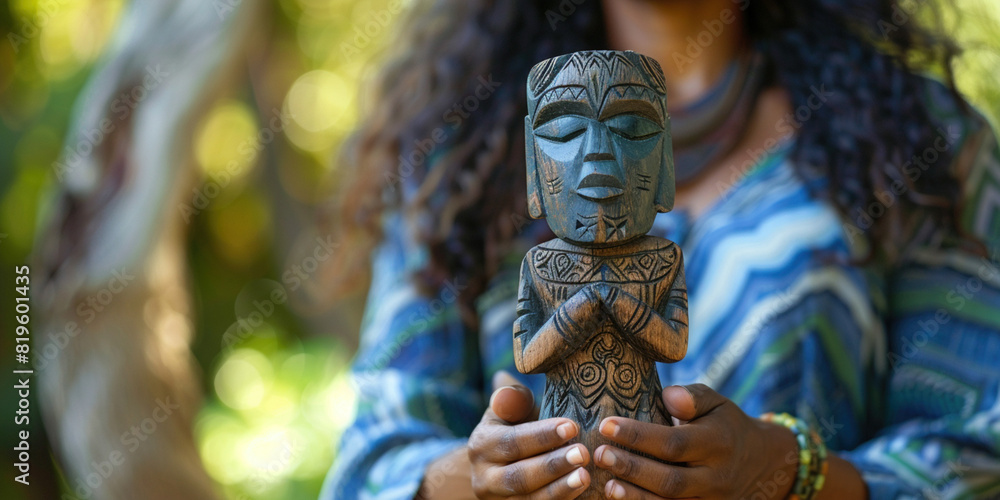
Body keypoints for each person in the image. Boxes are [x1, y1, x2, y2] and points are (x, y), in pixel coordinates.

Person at [322, 0, 1000, 498]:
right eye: (561, 131)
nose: (593, 158)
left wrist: (791, 473)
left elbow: (980, 451)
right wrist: (478, 478)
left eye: (631, 126)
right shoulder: (454, 161)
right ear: (535, 174)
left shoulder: (921, 143)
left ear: (665, 169)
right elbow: (372, 459)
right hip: (574, 436)